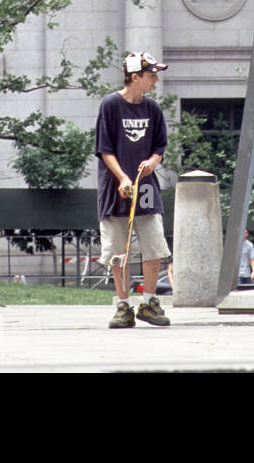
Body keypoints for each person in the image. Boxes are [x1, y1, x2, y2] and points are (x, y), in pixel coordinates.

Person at [96, 52, 172, 328]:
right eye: (151, 75)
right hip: (117, 189)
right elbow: (105, 149)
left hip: (147, 188)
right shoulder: (111, 105)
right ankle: (123, 306)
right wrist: (122, 178)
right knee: (118, 249)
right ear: (135, 77)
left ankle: (150, 302)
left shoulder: (152, 109)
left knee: (153, 244)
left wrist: (152, 162)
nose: (156, 80)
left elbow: (159, 147)